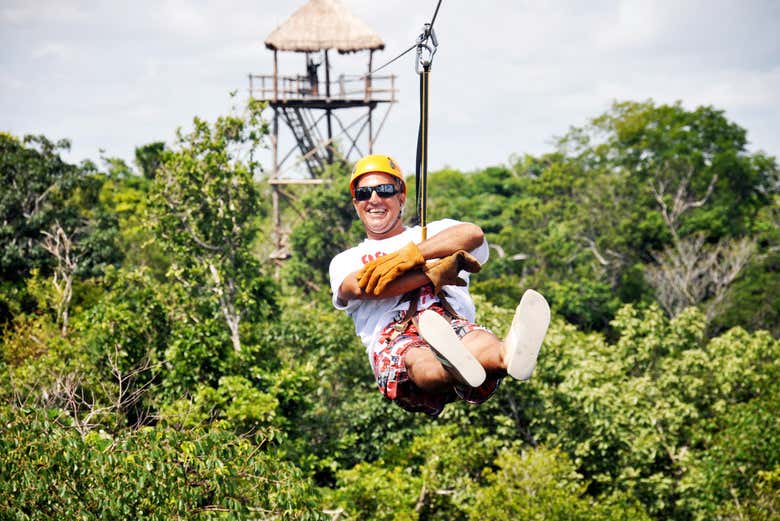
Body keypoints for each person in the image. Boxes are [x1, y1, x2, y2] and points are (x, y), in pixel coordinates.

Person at [328, 154, 551, 416]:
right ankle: (450, 367)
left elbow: (472, 234)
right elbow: (366, 287)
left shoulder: (432, 231)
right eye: (365, 193)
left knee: (476, 339)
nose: (374, 199)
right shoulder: (346, 259)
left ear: (401, 197)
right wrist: (435, 273)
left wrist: (412, 255)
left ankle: (507, 355)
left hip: (449, 321)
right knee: (417, 358)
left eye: (385, 190)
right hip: (394, 334)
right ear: (356, 203)